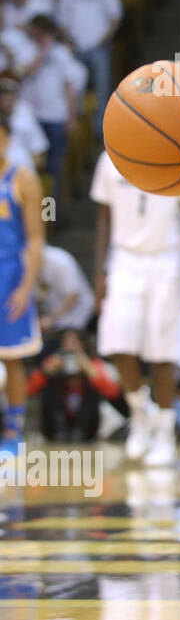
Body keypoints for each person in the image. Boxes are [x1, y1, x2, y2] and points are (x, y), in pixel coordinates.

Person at [92, 149, 180, 467]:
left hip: (167, 259)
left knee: (161, 350)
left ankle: (165, 433)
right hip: (124, 258)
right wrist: (99, 271)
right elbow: (103, 220)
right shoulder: (108, 158)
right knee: (116, 342)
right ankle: (141, 412)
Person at [0, 115, 44, 457]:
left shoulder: (23, 178)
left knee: (12, 360)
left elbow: (36, 240)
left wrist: (27, 287)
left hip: (11, 274)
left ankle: (14, 433)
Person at [29, 328, 121, 441]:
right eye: (66, 343)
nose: (70, 348)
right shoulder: (52, 362)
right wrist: (46, 371)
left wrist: (89, 369)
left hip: (87, 427)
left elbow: (113, 393)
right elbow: (29, 390)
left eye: (74, 343)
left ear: (83, 345)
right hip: (56, 425)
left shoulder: (92, 363)